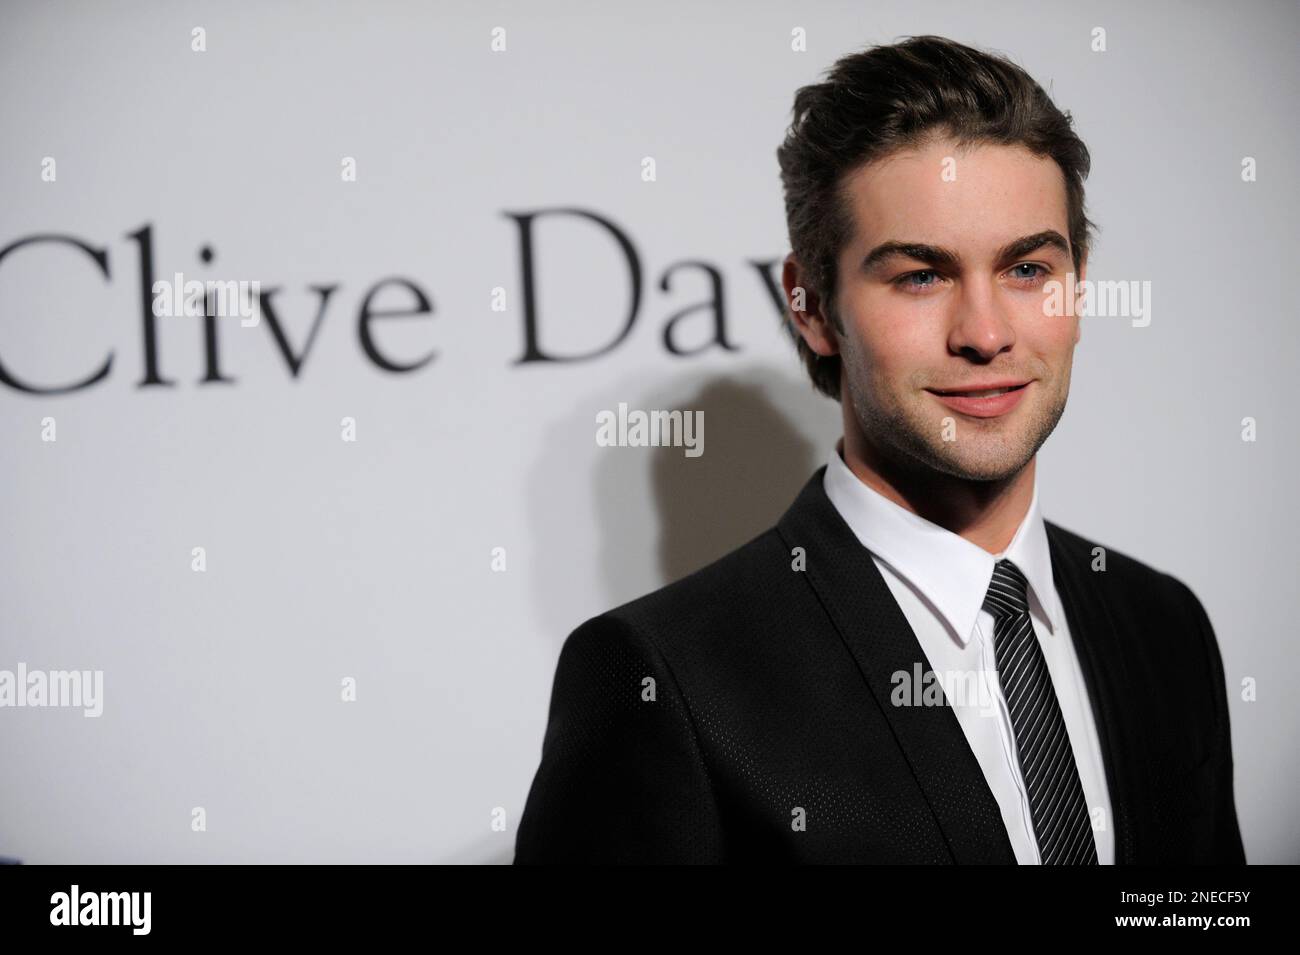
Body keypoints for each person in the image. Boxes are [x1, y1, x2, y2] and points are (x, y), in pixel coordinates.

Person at [514, 35, 1246, 864]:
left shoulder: (1163, 625)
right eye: (921, 276)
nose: (986, 333)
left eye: (1028, 268)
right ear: (813, 305)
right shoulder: (662, 679)